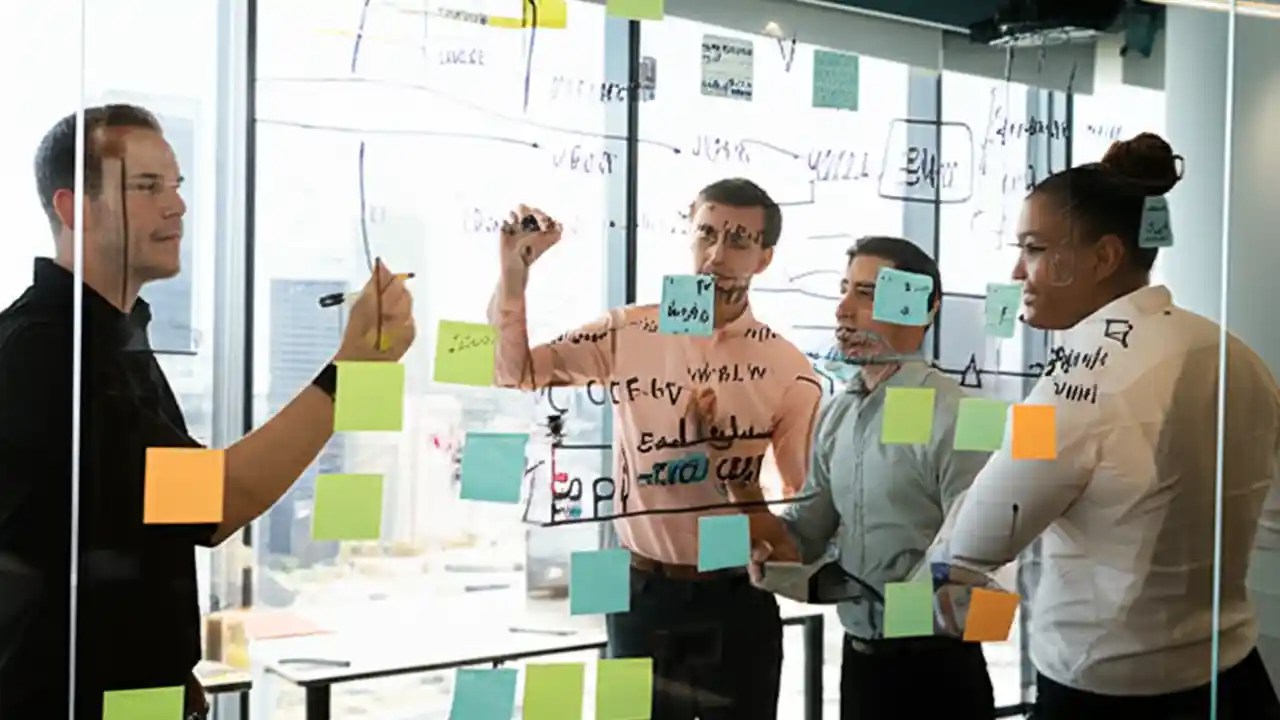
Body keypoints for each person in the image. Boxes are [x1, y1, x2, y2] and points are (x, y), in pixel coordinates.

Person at [0, 104, 416, 718]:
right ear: (71, 210)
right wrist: (349, 374)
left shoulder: (111, 339)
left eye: (175, 185)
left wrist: (173, 674)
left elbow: (134, 532)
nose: (177, 206)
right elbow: (209, 503)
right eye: (147, 187)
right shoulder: (46, 349)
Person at [935, 132, 1280, 719]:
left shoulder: (1078, 380)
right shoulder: (1235, 354)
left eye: (1035, 248)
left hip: (1108, 693)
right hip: (1236, 682)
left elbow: (977, 541)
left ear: (1103, 257)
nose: (1019, 269)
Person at [488, 178, 822, 719]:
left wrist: (741, 486)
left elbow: (799, 505)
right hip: (640, 595)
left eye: (738, 241)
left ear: (764, 259)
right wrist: (513, 278)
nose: (715, 255)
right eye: (706, 234)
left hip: (738, 600)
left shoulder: (788, 369)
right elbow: (516, 372)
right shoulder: (630, 330)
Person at [739, 236, 995, 719]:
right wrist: (761, 530)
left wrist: (905, 607)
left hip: (939, 675)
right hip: (860, 665)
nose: (843, 310)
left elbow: (980, 559)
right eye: (844, 290)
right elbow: (807, 530)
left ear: (923, 306)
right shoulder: (838, 414)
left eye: (867, 294)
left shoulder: (959, 414)